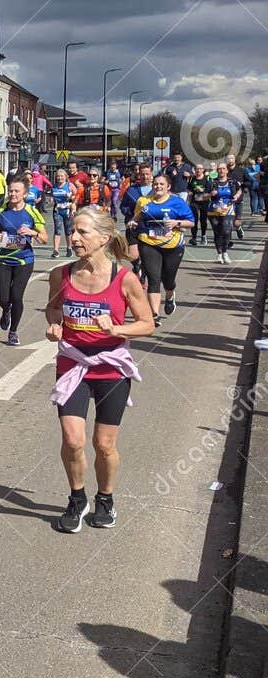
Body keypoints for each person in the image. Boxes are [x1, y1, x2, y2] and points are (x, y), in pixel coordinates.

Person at [45, 209, 154, 533]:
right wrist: (54, 325)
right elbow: (52, 307)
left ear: (104, 239)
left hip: (111, 368)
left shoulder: (125, 279)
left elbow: (147, 324)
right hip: (73, 364)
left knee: (104, 444)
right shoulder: (61, 274)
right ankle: (77, 498)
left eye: (82, 232)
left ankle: (105, 498)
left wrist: (118, 330)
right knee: (72, 439)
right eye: (73, 231)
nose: (74, 238)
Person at [0, 180, 47, 346]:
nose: (13, 194)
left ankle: (13, 332)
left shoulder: (32, 212)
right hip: (2, 258)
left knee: (17, 296)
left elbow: (44, 238)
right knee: (3, 298)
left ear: (25, 194)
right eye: (11, 191)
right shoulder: (0, 210)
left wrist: (32, 232)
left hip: (24, 259)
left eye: (17, 191)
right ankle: (5, 309)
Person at [132, 173, 195, 324]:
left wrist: (176, 223)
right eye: (155, 184)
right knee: (154, 278)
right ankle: (154, 314)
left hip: (172, 245)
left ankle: (170, 296)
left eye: (161, 184)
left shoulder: (177, 202)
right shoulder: (143, 201)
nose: (158, 187)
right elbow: (137, 217)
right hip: (148, 242)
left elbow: (191, 222)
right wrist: (133, 222)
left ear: (168, 187)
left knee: (168, 280)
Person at [207, 169, 238, 263]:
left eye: (223, 168)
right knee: (217, 233)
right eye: (219, 169)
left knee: (227, 230)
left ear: (226, 171)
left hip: (228, 210)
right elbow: (202, 195)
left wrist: (236, 196)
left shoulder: (232, 182)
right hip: (214, 210)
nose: (221, 170)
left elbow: (240, 190)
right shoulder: (211, 182)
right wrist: (210, 194)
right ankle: (219, 254)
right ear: (217, 171)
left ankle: (225, 252)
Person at [49, 167, 77, 258]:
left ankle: (69, 248)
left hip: (67, 210)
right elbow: (52, 196)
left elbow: (77, 196)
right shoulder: (54, 186)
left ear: (65, 177)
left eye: (61, 176)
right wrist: (52, 199)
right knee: (57, 230)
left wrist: (71, 197)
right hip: (57, 210)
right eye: (58, 176)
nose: (59, 178)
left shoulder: (69, 185)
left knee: (68, 230)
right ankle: (55, 250)